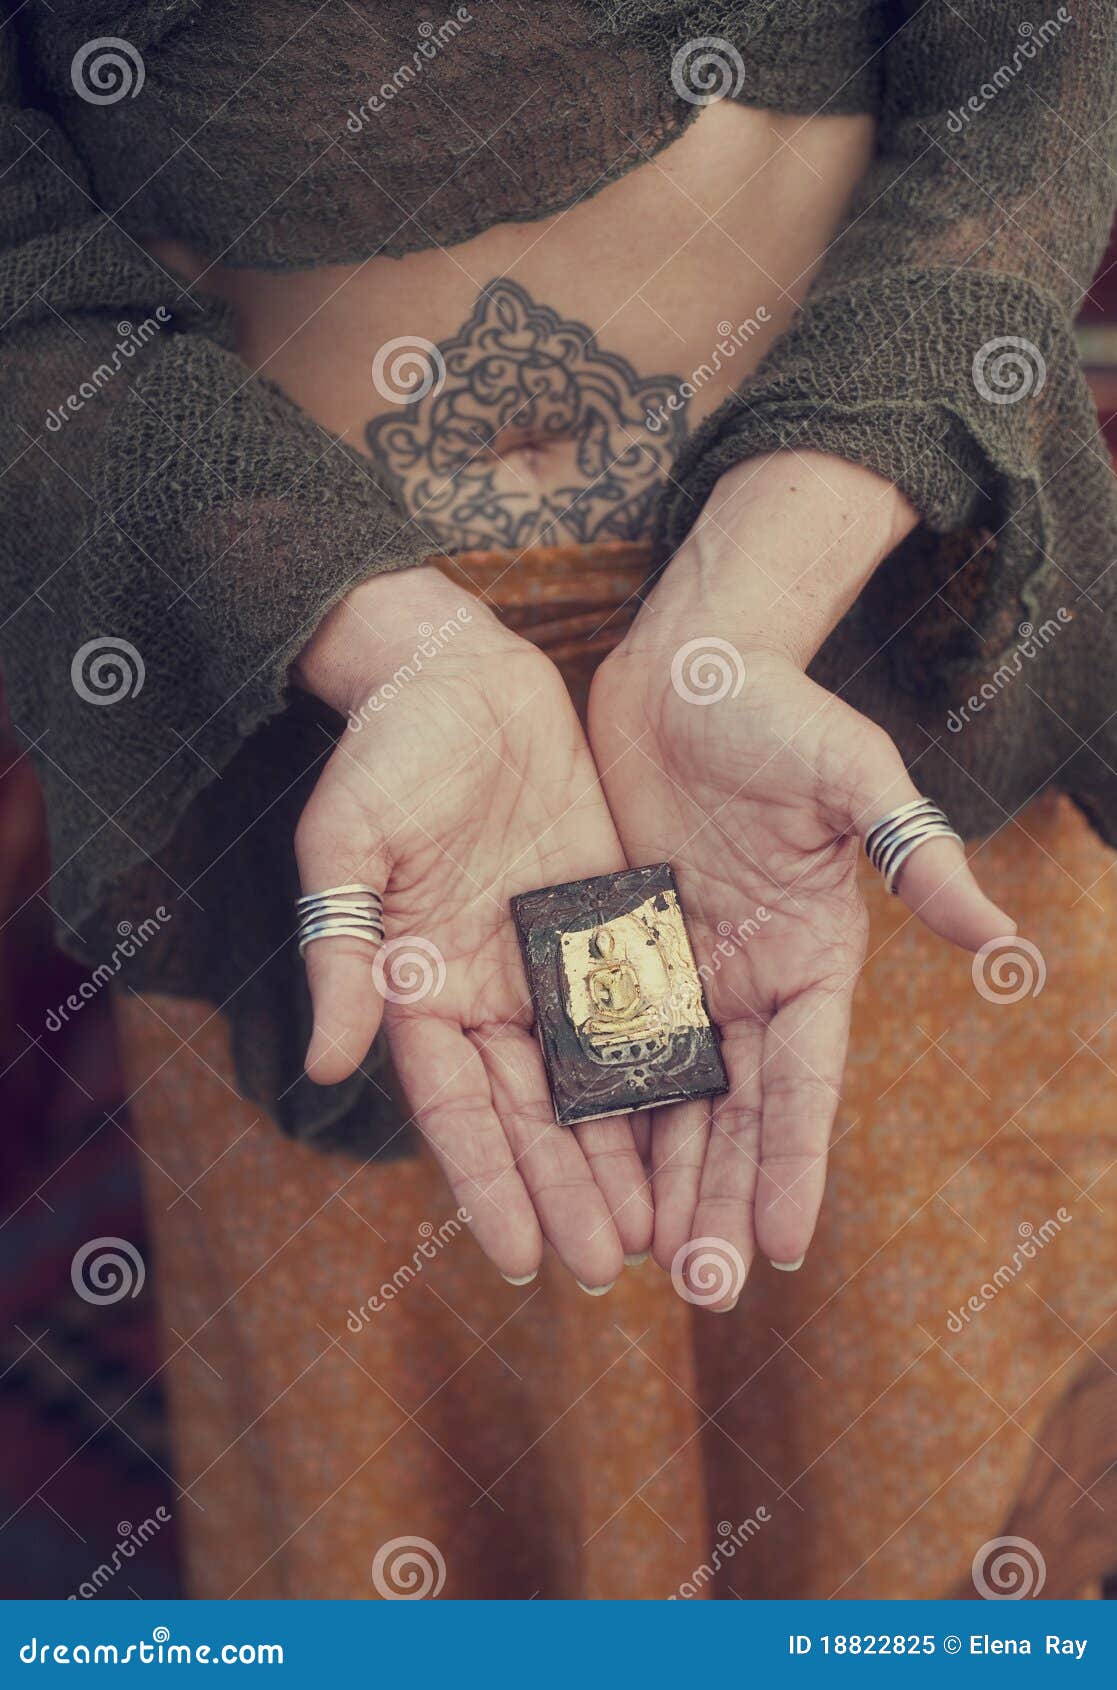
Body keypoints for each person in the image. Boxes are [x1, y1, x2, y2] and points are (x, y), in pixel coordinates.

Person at [2, 0, 1116, 1599]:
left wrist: (755, 598)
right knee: (423, 1454)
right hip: (299, 715)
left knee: (905, 1398)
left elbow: (1033, 68)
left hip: (853, 652)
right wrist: (367, 629)